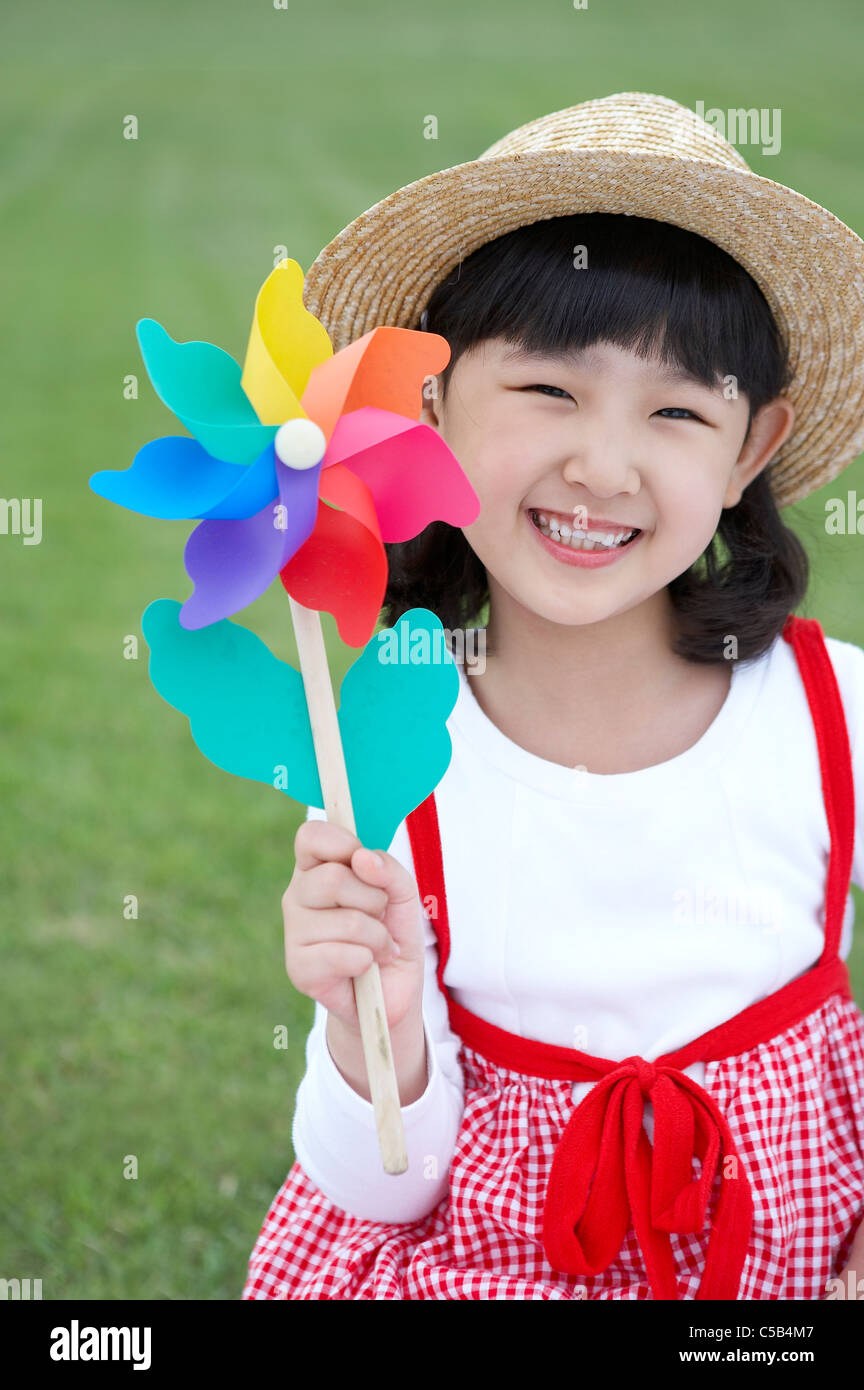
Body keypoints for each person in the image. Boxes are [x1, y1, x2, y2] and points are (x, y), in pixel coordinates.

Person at [242, 92, 864, 1300]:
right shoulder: (382, 756)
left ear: (750, 451)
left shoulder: (835, 711)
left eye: (679, 411)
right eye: (548, 392)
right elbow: (379, 1190)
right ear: (428, 401)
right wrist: (379, 1031)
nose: (603, 465)